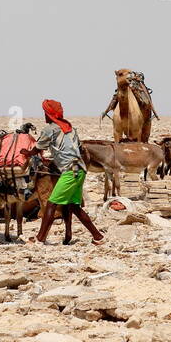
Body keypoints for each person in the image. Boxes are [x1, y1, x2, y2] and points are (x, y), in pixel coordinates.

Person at [33, 99, 104, 245]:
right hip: (80, 170)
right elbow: (74, 148)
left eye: (45, 113)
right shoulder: (70, 128)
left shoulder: (50, 129)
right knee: (74, 207)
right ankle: (98, 237)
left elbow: (37, 148)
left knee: (51, 203)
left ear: (49, 114)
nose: (44, 116)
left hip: (70, 172)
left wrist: (26, 153)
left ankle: (39, 239)